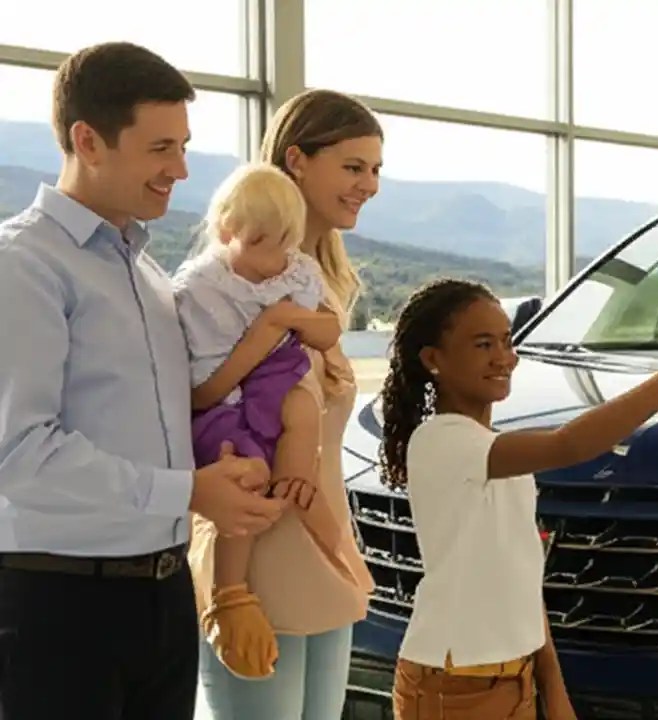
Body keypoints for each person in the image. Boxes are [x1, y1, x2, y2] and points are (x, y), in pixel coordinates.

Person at [0, 42, 286, 719]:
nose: (180, 169)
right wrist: (190, 490)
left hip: (163, 595)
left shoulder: (151, 277)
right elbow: (19, 452)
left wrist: (219, 465)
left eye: (182, 147)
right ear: (87, 141)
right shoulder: (23, 266)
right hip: (56, 608)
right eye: (161, 148)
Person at [377, 278, 658, 720]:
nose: (503, 357)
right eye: (483, 345)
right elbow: (569, 445)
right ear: (433, 359)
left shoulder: (490, 450)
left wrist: (553, 691)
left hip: (512, 680)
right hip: (454, 686)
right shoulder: (442, 442)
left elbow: (521, 579)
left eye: (506, 341)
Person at [191, 88, 381, 720]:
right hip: (255, 544)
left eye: (375, 169)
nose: (369, 185)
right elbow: (200, 403)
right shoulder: (230, 283)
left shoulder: (320, 281)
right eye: (353, 166)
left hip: (320, 536)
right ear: (297, 160)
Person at [174, 162, 355, 680]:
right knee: (247, 470)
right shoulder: (201, 287)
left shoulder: (295, 273)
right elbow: (203, 388)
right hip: (225, 398)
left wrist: (293, 319)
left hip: (274, 376)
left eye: (283, 246)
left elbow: (326, 329)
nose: (272, 261)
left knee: (301, 408)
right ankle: (230, 589)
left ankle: (294, 479)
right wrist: (274, 324)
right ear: (226, 230)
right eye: (259, 244)